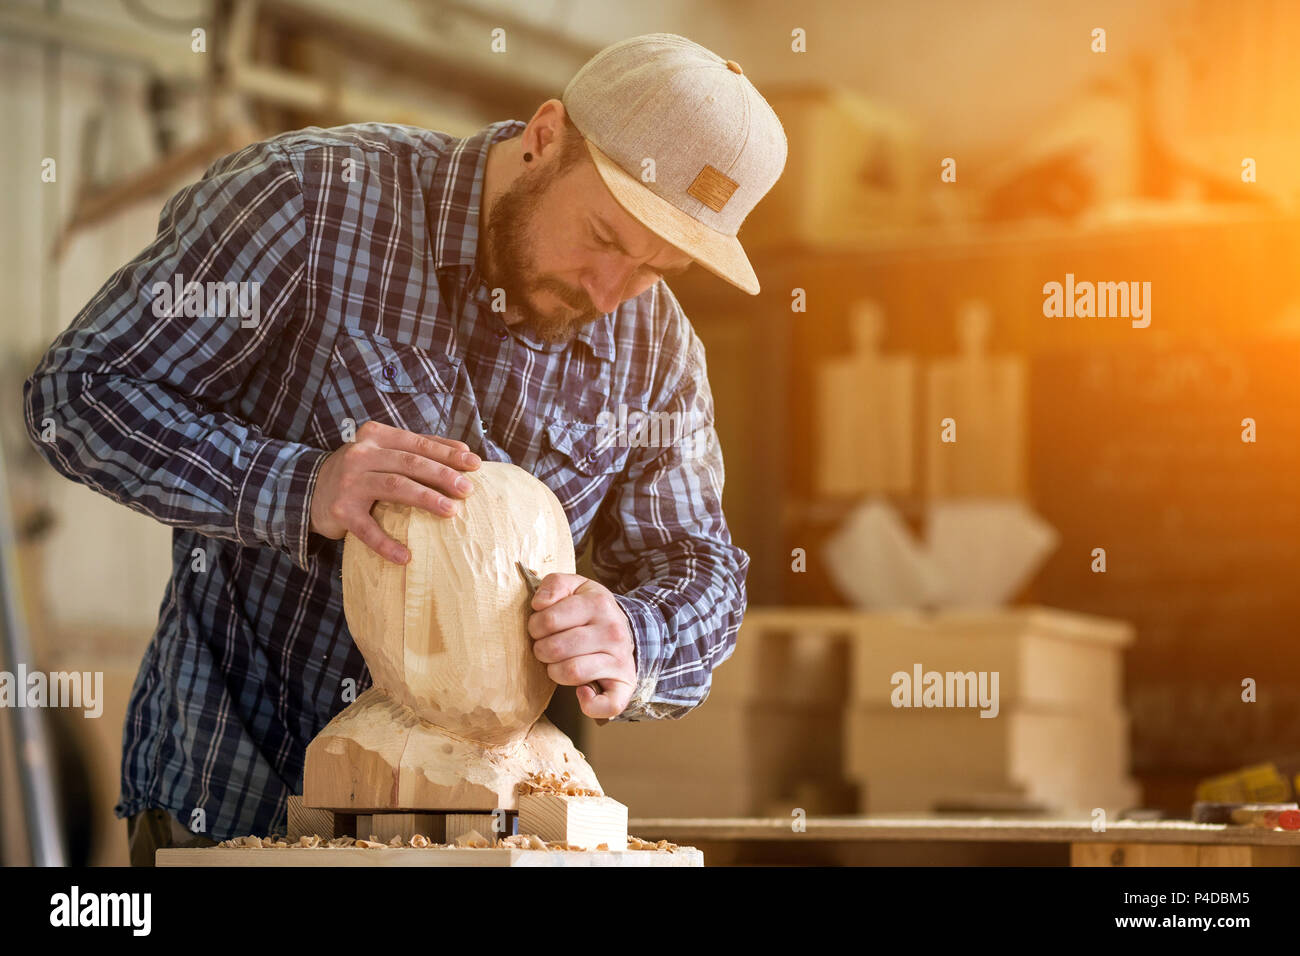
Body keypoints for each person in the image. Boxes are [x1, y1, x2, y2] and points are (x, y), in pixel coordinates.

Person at [23, 32, 787, 864]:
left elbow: (698, 566)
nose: (608, 293)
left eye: (656, 267)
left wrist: (637, 638)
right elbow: (79, 392)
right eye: (603, 237)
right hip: (234, 798)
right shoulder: (308, 202)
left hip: (493, 829)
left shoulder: (657, 348)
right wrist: (300, 485)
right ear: (545, 136)